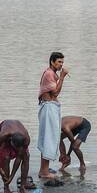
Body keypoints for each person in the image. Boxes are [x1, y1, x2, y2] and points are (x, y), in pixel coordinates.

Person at [37, 51, 68, 182]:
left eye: (62, 62)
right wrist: (62, 77)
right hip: (49, 108)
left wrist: (60, 77)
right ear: (52, 62)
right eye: (59, 62)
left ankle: (43, 169)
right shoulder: (50, 74)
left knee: (49, 138)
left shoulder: (51, 73)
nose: (61, 64)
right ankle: (44, 171)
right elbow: (55, 93)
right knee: (49, 138)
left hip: (49, 108)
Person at [0, 119, 32, 193]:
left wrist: (11, 176)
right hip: (5, 126)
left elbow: (19, 158)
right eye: (16, 148)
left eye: (19, 149)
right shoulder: (3, 135)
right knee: (5, 158)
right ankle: (6, 188)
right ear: (10, 141)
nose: (17, 151)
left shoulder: (26, 139)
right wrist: (0, 169)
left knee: (26, 156)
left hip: (19, 129)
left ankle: (22, 187)